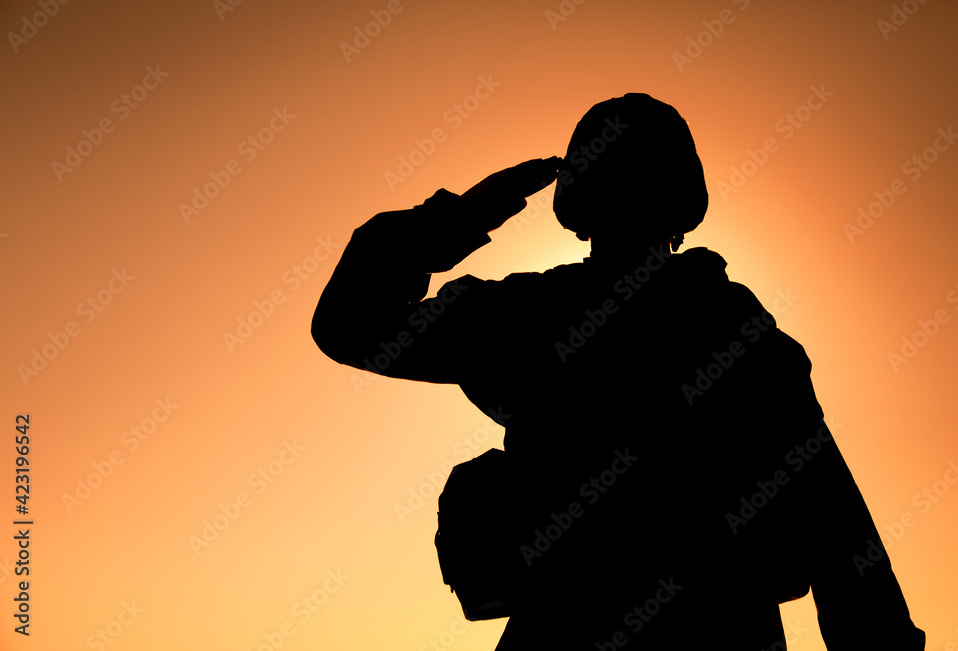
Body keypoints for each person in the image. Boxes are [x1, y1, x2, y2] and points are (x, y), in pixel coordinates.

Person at [311, 93, 925, 650]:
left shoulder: (528, 317)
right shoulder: (734, 328)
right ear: (683, 201)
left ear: (578, 198)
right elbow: (834, 522)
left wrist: (454, 222)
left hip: (569, 629)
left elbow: (351, 326)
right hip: (718, 632)